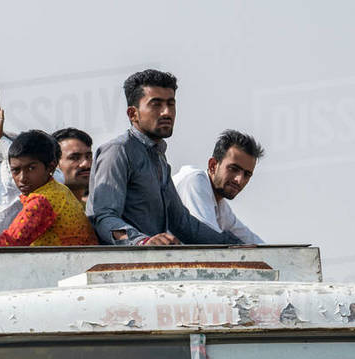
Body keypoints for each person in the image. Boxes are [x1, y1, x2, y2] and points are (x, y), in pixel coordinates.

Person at [87, 69, 250, 246]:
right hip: (118, 268)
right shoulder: (118, 151)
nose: (166, 112)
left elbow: (182, 223)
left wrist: (233, 245)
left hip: (152, 266)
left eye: (171, 104)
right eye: (156, 104)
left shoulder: (159, 159)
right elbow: (103, 218)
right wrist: (141, 242)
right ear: (132, 114)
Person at [0, 130, 97, 247]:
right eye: (15, 170)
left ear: (51, 167)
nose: (22, 178)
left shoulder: (42, 200)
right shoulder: (57, 190)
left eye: (31, 168)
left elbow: (10, 242)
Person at [172, 130, 264, 243]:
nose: (239, 180)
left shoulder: (220, 205)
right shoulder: (194, 181)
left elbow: (252, 241)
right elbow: (207, 241)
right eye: (233, 169)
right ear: (213, 165)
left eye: (247, 174)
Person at [53, 127, 93, 205]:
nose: (86, 164)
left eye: (88, 157)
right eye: (75, 158)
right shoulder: (43, 207)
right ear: (53, 164)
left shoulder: (91, 209)